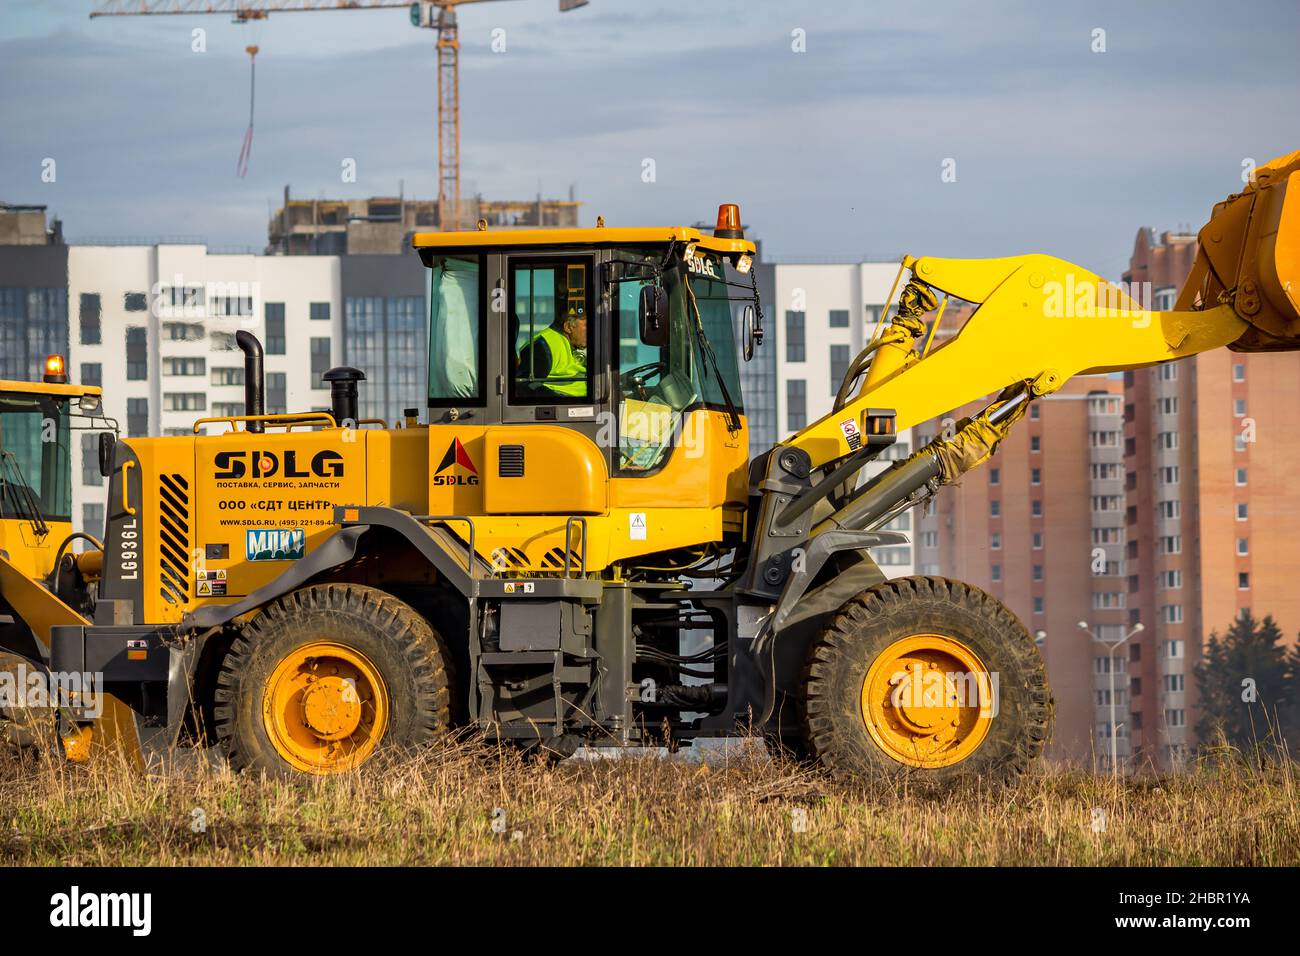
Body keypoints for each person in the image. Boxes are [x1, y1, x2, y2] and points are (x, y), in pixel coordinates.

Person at [518, 299, 587, 398]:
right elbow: (525, 385)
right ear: (568, 327)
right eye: (586, 325)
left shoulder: (574, 345)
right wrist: (560, 401)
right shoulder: (542, 347)